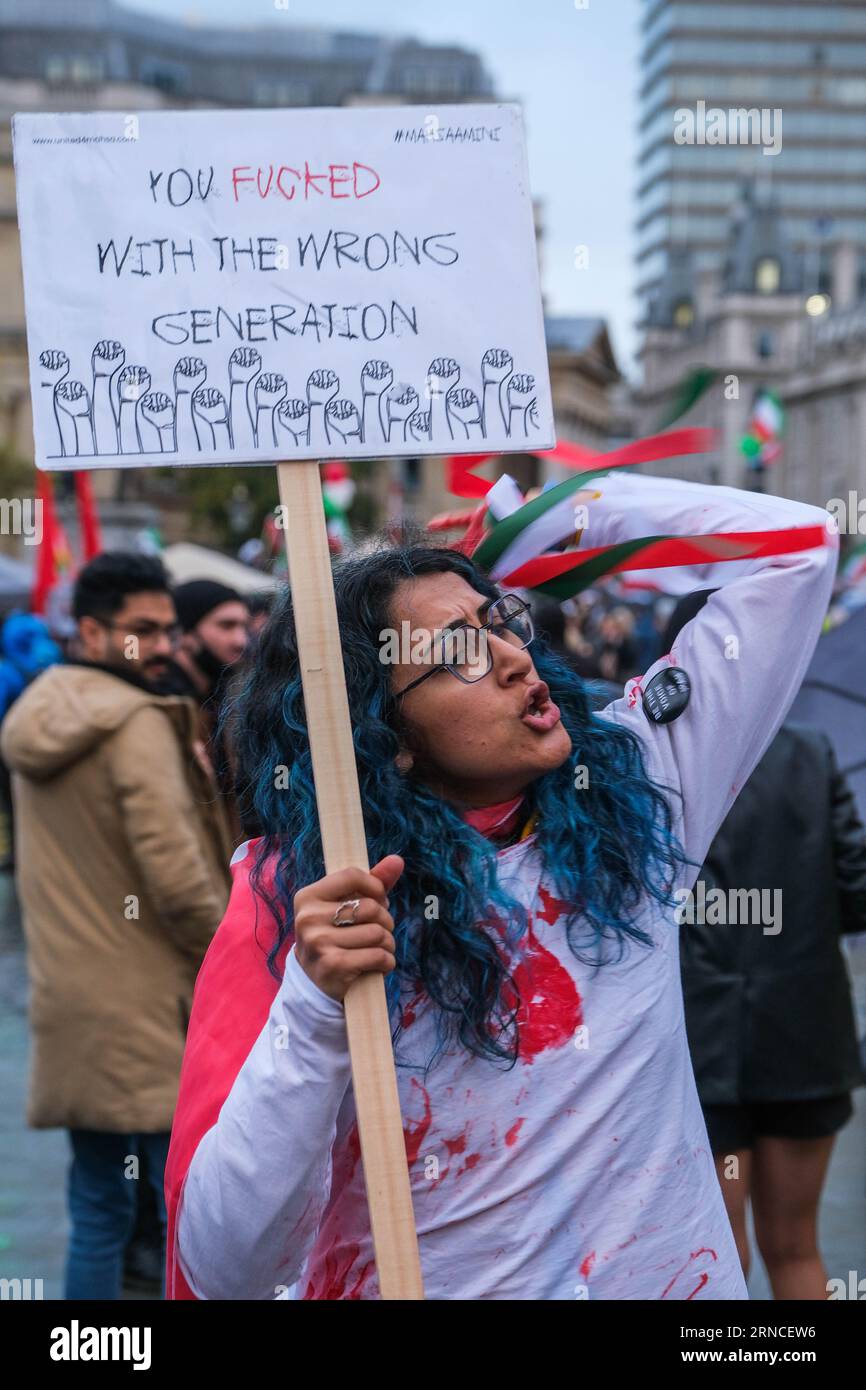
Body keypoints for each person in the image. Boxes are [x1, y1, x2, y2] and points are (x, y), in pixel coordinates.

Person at [164, 473, 837, 1301]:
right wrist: (314, 1005)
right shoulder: (301, 904)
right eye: (459, 656)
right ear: (384, 735)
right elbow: (223, 1269)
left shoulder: (638, 794)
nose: (517, 660)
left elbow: (799, 552)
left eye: (501, 623)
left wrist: (566, 520)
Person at [0, 552, 232, 1300]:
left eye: (167, 630)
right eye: (142, 632)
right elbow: (177, 876)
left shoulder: (43, 708)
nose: (163, 647)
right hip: (150, 1006)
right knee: (178, 1211)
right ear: (91, 631)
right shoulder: (132, 721)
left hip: (74, 1000)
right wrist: (234, 956)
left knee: (98, 1206)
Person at [664, 593, 866, 1299]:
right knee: (797, 1247)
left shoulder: (655, 758)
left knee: (718, 1252)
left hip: (695, 1043)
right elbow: (858, 891)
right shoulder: (810, 750)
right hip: (805, 1037)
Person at [158, 579, 250, 842]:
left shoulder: (217, 702)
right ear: (185, 635)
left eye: (244, 626)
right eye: (226, 626)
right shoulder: (165, 709)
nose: (240, 640)